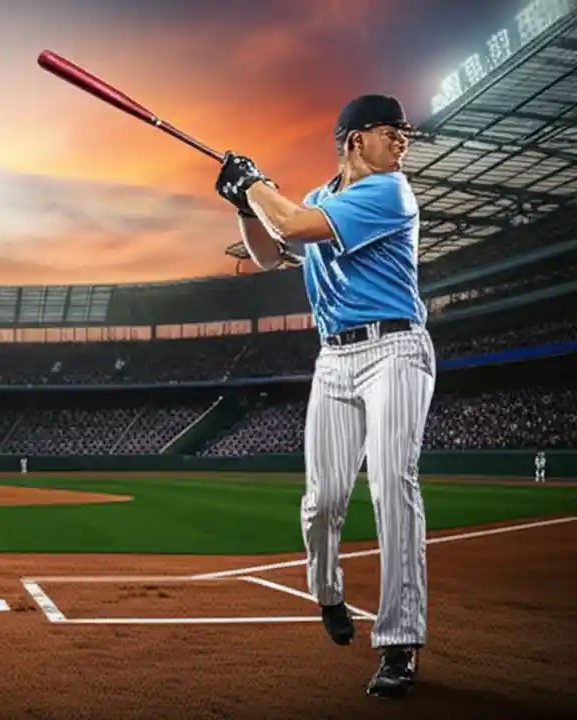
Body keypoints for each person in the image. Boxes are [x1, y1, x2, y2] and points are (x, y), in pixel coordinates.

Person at [215, 94, 435, 699]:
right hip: (334, 358)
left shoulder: (392, 192)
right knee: (322, 500)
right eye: (392, 132)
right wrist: (243, 204)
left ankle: (399, 642)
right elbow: (268, 252)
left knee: (392, 486)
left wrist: (255, 183)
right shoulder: (318, 197)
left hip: (395, 349)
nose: (403, 141)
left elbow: (290, 225)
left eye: (403, 133)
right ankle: (328, 593)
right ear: (355, 139)